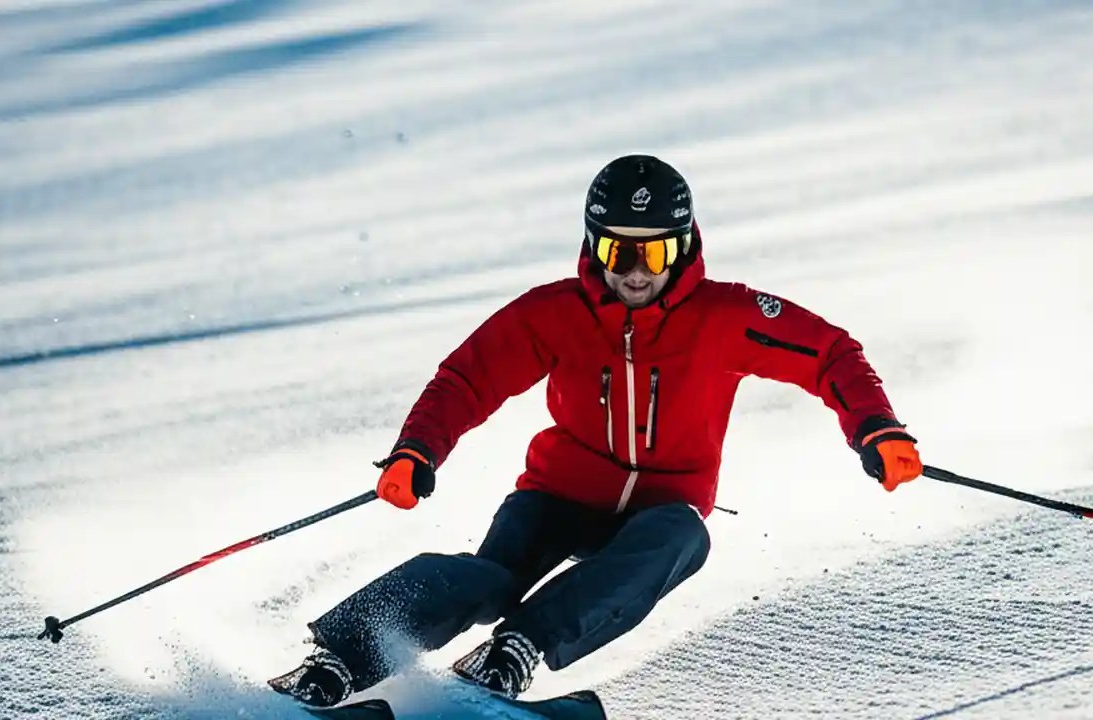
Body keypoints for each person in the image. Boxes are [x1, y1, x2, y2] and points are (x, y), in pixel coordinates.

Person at [268, 155, 924, 707]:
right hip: (556, 495)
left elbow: (830, 353)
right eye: (618, 249)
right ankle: (334, 662)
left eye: (656, 250)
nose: (636, 271)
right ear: (592, 243)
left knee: (681, 536)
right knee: (488, 579)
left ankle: (512, 651)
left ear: (686, 244)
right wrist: (417, 451)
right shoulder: (558, 313)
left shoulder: (723, 316)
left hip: (661, 506)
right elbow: (468, 378)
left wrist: (877, 430)